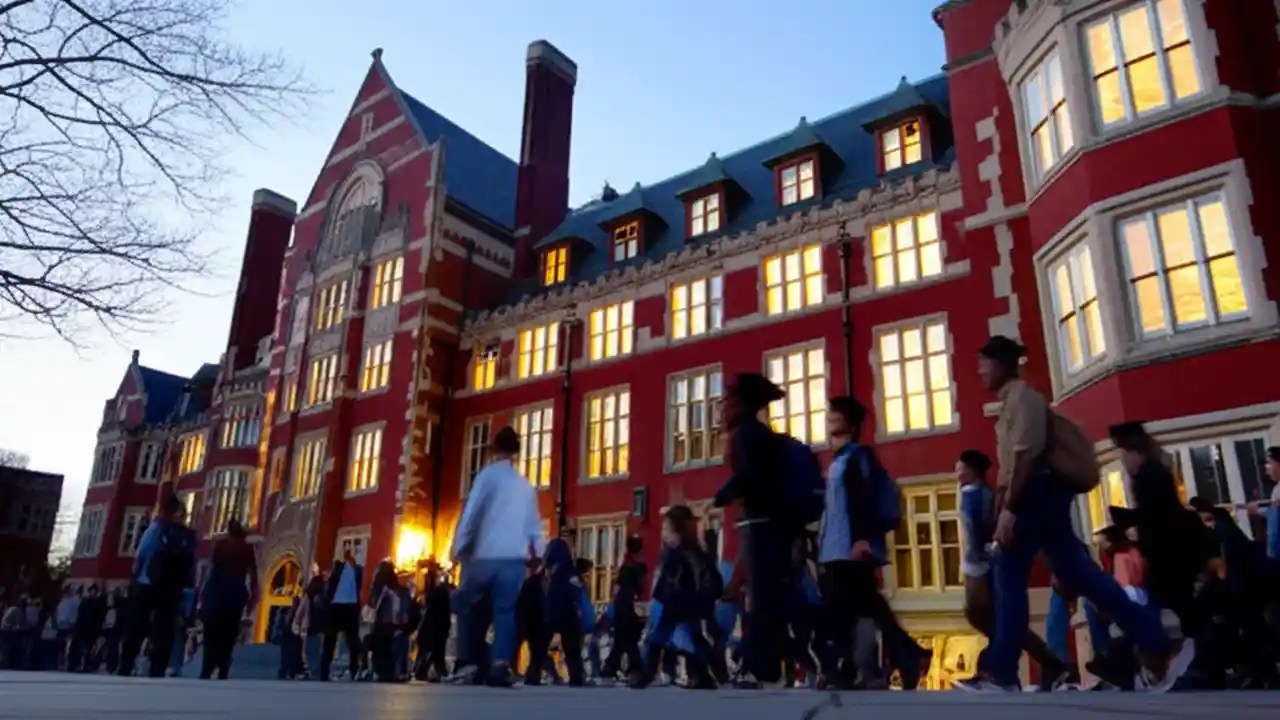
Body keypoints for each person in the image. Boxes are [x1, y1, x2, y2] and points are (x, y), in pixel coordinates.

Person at [957, 337, 1188, 692]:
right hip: (1042, 496)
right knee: (1083, 576)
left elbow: (1025, 458)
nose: (980, 371)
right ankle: (1156, 641)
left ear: (1004, 363)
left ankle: (1001, 673)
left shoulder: (1024, 400)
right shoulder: (1013, 403)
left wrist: (1009, 511)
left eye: (985, 363)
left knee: (1008, 574)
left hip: (1036, 493)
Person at [817, 396, 923, 690]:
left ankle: (848, 667)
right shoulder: (838, 459)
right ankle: (900, 655)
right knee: (863, 606)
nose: (829, 423)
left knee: (849, 607)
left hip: (850, 546)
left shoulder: (858, 456)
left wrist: (862, 538)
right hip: (837, 547)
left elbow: (862, 498)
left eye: (834, 418)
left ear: (849, 425)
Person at [954, 449, 1071, 687]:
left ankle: (1011, 665)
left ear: (970, 470)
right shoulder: (986, 493)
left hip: (977, 564)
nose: (956, 471)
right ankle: (1008, 663)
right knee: (996, 620)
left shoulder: (971, 494)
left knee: (982, 616)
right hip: (984, 560)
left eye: (959, 467)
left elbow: (977, 530)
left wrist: (978, 556)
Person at [449, 425, 545, 687]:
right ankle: (500, 663)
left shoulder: (487, 476)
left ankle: (469, 661)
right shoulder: (524, 486)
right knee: (505, 611)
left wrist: (459, 548)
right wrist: (539, 556)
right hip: (513, 559)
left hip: (485, 554)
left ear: (494, 449)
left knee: (466, 604)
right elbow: (534, 526)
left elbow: (472, 512)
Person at [713, 373, 792, 688]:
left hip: (760, 523)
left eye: (726, 403)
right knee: (768, 597)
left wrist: (723, 494)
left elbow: (752, 476)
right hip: (770, 523)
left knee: (761, 599)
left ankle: (761, 667)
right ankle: (767, 665)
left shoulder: (747, 435)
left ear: (741, 405)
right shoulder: (761, 434)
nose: (722, 410)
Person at [631, 505, 720, 689]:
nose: (663, 531)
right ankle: (702, 674)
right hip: (688, 602)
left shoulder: (675, 550)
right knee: (691, 638)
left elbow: (670, 575)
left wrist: (662, 594)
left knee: (661, 637)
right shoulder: (695, 549)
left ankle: (648, 673)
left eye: (666, 527)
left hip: (675, 601)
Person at [119, 495, 197, 678]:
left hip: (148, 582)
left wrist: (135, 576)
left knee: (137, 626)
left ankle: (126, 664)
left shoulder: (157, 527)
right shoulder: (186, 534)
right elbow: (191, 562)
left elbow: (142, 553)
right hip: (171, 587)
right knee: (164, 628)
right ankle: (158, 667)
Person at [199, 518, 258, 679]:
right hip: (235, 596)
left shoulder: (221, 545)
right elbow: (253, 574)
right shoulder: (246, 548)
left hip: (216, 594)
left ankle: (207, 667)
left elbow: (212, 570)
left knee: (211, 633)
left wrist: (203, 596)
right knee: (228, 634)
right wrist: (251, 598)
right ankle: (223, 666)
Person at [527, 529, 585, 686]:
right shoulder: (571, 573)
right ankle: (576, 677)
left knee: (540, 647)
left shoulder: (545, 574)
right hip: (569, 612)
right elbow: (578, 591)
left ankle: (533, 675)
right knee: (572, 648)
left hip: (549, 611)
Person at [601, 535, 646, 681]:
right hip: (629, 605)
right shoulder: (639, 568)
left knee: (623, 639)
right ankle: (633, 667)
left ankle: (613, 666)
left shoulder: (626, 567)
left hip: (622, 605)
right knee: (627, 639)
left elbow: (617, 589)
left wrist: (611, 604)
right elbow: (639, 589)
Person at [320, 547, 364, 681]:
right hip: (348, 606)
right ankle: (353, 671)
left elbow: (329, 587)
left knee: (332, 641)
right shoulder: (355, 570)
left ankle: (326, 671)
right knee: (350, 642)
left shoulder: (342, 569)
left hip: (339, 606)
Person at [413, 562, 451, 682]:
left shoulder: (434, 598)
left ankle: (421, 672)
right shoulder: (444, 597)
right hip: (439, 631)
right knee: (437, 654)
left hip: (431, 631)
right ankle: (438, 673)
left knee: (427, 653)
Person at [69, 585, 106, 673]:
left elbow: (100, 617)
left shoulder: (97, 603)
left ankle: (86, 665)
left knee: (89, 648)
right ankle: (81, 664)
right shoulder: (86, 602)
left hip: (91, 630)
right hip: (84, 629)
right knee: (83, 648)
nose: (93, 593)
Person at [54, 586, 80, 670]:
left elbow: (74, 613)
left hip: (68, 626)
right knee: (61, 646)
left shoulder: (73, 601)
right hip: (61, 625)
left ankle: (67, 664)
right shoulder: (62, 602)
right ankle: (61, 663)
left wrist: (72, 622)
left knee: (68, 646)